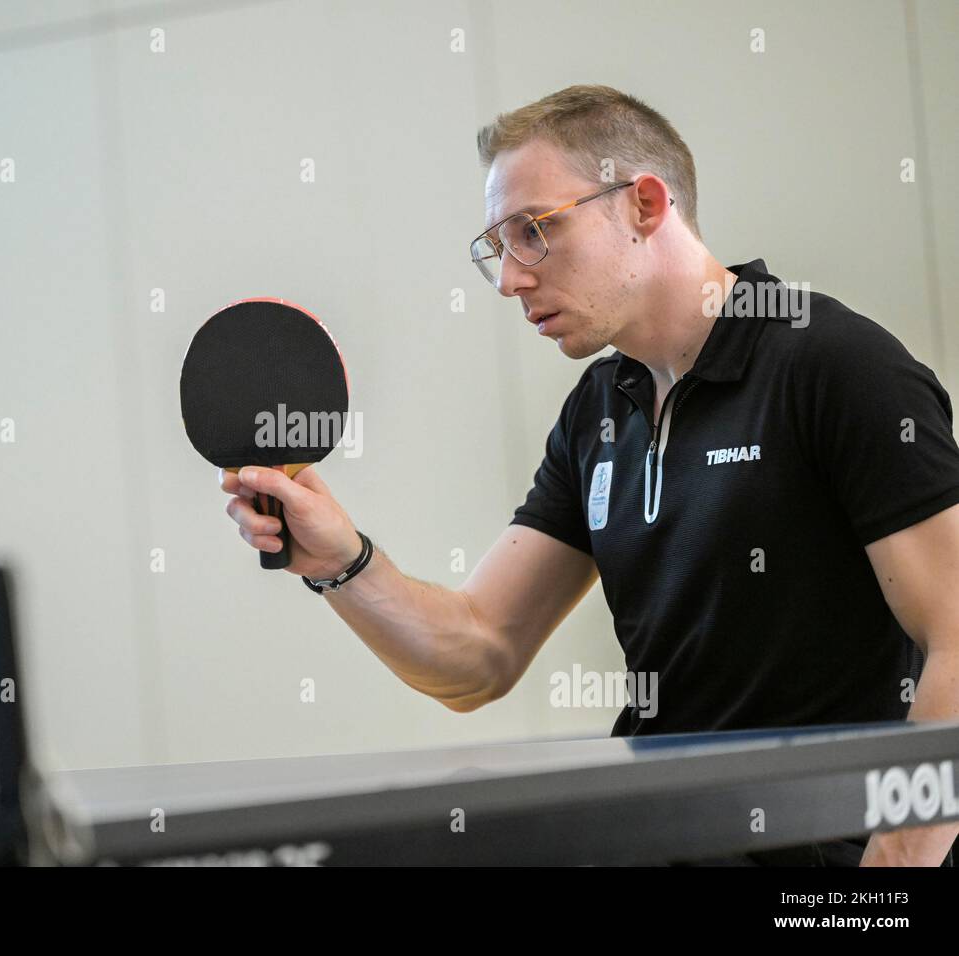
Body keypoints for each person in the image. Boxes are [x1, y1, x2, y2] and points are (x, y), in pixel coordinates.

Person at [219, 85, 959, 867]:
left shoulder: (834, 366)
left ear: (644, 203)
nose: (509, 280)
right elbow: (479, 656)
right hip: (658, 838)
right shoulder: (599, 410)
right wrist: (341, 562)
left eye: (532, 232)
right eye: (494, 249)